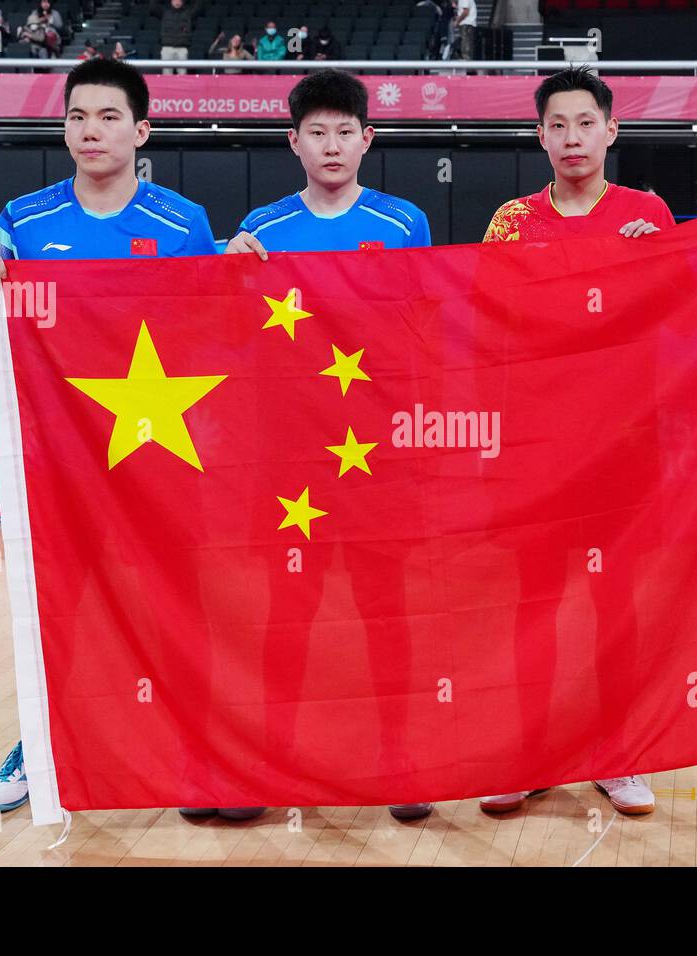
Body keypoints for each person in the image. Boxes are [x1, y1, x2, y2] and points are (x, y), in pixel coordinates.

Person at [0, 59, 220, 815]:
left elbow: (216, 329)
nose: (89, 130)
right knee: (61, 608)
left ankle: (190, 752)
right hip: (61, 461)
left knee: (173, 607)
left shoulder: (181, 223)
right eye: (76, 117)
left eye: (106, 116)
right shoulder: (25, 220)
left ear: (142, 130)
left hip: (162, 455)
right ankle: (38, 745)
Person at [221, 68, 433, 822]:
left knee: (387, 611)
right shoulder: (262, 231)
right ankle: (268, 763)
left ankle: (401, 760)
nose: (333, 144)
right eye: (318, 131)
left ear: (368, 139)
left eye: (346, 131)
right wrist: (225, 275)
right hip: (293, 459)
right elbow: (230, 335)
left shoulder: (406, 222)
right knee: (289, 613)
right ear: (294, 141)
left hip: (380, 456)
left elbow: (423, 334)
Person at [476, 67, 674, 817]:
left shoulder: (648, 214)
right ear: (540, 136)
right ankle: (530, 753)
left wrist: (647, 268)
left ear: (610, 131)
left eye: (585, 123)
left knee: (615, 604)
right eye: (557, 125)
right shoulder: (511, 221)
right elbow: (487, 323)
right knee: (532, 606)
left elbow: (681, 314)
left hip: (623, 449)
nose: (571, 138)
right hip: (535, 449)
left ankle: (616, 752)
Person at [151, 0, 201, 74]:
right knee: (166, 74)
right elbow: (153, 7)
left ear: (182, 2)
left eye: (179, 0)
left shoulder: (188, 13)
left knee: (182, 74)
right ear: (171, 1)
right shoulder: (165, 12)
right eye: (175, 0)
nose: (177, 2)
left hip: (182, 48)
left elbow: (198, 7)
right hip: (167, 48)